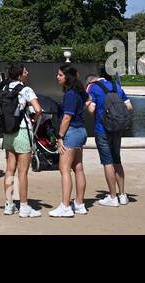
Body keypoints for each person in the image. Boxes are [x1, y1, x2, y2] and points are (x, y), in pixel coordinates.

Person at [0, 63, 43, 217]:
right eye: (25, 71)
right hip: (23, 130)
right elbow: (38, 109)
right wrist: (34, 119)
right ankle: (24, 206)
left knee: (10, 169)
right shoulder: (26, 89)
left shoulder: (4, 88)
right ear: (20, 74)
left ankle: (9, 205)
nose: (27, 72)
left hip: (8, 131)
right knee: (23, 172)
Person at [87, 70, 132, 207]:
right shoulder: (117, 86)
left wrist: (89, 102)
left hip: (102, 129)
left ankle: (112, 197)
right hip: (117, 129)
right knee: (117, 160)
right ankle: (122, 195)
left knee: (107, 162)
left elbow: (91, 110)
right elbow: (129, 107)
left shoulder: (94, 88)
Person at [52, 64, 88, 216]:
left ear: (67, 77)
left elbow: (67, 117)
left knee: (64, 169)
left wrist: (59, 137)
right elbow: (89, 100)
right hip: (81, 131)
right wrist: (81, 111)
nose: (57, 77)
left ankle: (66, 206)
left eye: (60, 75)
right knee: (78, 167)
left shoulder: (70, 94)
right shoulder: (80, 92)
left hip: (71, 132)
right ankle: (79, 203)